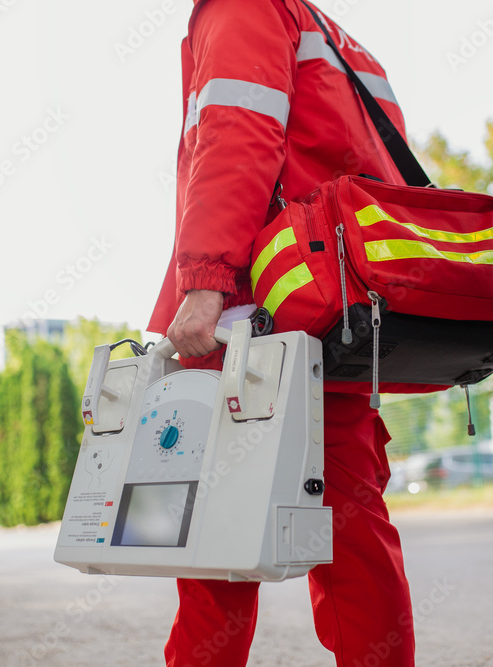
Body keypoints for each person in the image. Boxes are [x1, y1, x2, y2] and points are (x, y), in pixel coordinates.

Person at [147, 1, 416, 664]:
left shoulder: (243, 7)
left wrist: (205, 283)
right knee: (354, 542)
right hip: (327, 313)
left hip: (249, 316)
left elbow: (236, 134)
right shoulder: (340, 41)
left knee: (214, 547)